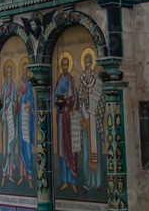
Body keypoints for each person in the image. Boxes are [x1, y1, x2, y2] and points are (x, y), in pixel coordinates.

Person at [77, 51, 104, 192]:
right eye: (85, 63)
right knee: (87, 155)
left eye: (89, 63)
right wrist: (81, 99)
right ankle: (87, 182)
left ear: (92, 64)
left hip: (94, 119)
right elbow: (78, 98)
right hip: (86, 120)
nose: (87, 65)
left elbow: (102, 97)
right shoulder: (82, 80)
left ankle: (98, 182)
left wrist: (98, 109)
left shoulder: (96, 79)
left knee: (96, 152)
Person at [53, 54, 79, 193]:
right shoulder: (58, 80)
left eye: (65, 65)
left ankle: (73, 180)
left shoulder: (70, 80)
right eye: (62, 65)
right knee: (62, 149)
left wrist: (72, 107)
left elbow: (75, 98)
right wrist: (59, 105)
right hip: (61, 118)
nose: (64, 67)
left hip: (69, 117)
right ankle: (64, 180)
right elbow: (54, 98)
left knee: (71, 149)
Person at [16, 62, 36, 188]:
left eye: (26, 70)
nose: (24, 72)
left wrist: (30, 104)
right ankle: (22, 175)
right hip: (20, 117)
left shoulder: (30, 83)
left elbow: (33, 99)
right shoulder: (20, 84)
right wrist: (18, 99)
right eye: (23, 70)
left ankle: (29, 174)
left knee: (27, 145)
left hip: (27, 117)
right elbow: (17, 100)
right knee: (21, 145)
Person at [0, 62, 18, 186]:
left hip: (12, 121)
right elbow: (0, 104)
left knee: (11, 146)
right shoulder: (4, 88)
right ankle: (4, 174)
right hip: (5, 121)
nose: (9, 75)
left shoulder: (13, 86)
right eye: (7, 73)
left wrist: (13, 103)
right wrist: (4, 111)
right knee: (5, 147)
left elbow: (16, 103)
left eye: (10, 73)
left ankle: (10, 174)